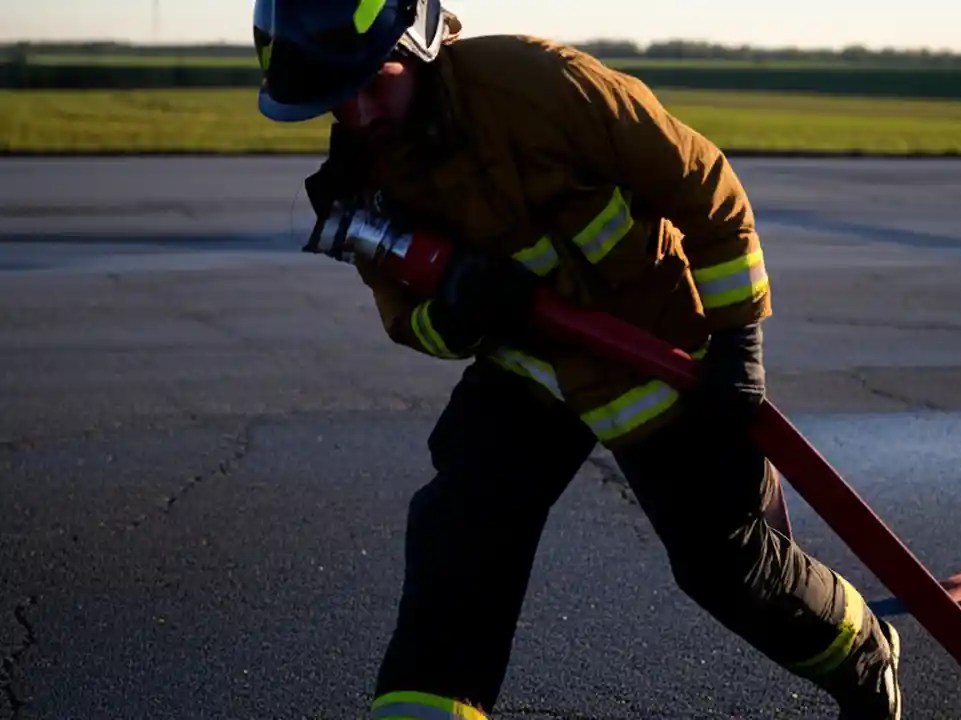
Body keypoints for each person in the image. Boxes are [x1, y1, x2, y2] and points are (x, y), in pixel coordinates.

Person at [252, 1, 902, 718]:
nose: (363, 113)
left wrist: (738, 341)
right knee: (460, 532)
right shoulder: (366, 179)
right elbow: (406, 321)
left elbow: (707, 188)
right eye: (337, 101)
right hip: (532, 371)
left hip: (655, 355)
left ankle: (864, 654)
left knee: (727, 567)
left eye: (378, 80)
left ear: (423, 42)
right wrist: (459, 309)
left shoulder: (541, 86)